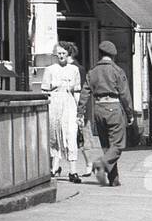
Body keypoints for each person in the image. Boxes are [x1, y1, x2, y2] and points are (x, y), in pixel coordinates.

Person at [81, 39, 134, 187]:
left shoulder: (92, 72)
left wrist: (80, 112)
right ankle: (101, 164)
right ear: (113, 55)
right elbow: (124, 94)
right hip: (113, 107)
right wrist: (130, 114)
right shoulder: (117, 71)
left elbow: (84, 93)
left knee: (106, 145)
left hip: (98, 108)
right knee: (117, 145)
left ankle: (114, 179)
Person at [41, 41, 83, 183]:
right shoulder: (50, 69)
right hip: (54, 103)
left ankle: (73, 170)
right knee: (54, 135)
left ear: (68, 53)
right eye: (58, 53)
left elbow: (77, 90)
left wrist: (79, 111)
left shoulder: (74, 70)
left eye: (64, 53)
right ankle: (55, 167)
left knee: (71, 134)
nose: (61, 55)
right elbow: (44, 90)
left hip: (69, 104)